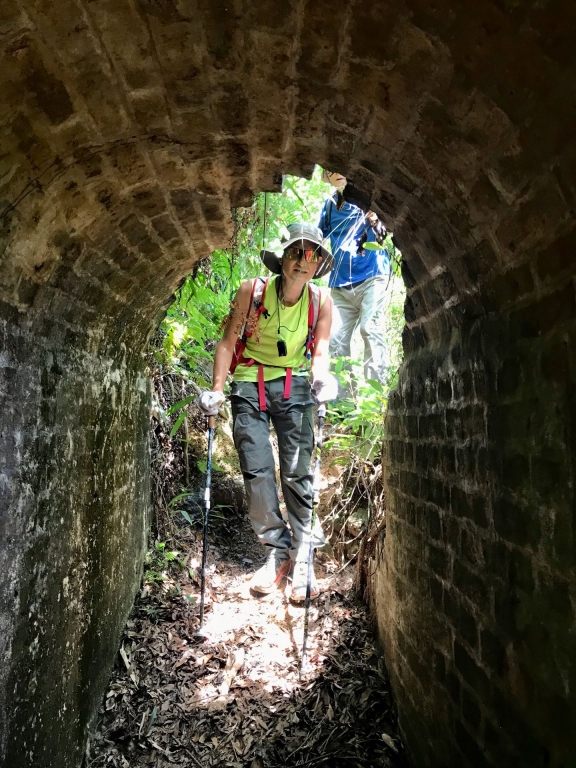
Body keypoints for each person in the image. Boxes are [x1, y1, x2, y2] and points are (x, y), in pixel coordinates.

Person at [199, 223, 337, 602]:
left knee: (297, 471)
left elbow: (320, 353)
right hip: (248, 385)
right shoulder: (252, 291)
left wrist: (322, 378)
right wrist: (216, 390)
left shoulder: (320, 301)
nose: (302, 261)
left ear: (319, 264)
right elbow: (229, 341)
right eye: (296, 252)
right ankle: (277, 553)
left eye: (312, 255)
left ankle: (303, 554)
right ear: (283, 257)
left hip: (295, 387)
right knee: (257, 470)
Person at [318, 170, 391, 391]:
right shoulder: (330, 205)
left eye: (341, 169)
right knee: (336, 339)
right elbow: (318, 237)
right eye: (331, 171)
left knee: (369, 328)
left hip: (372, 275)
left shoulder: (369, 199)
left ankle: (376, 396)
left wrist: (376, 221)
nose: (337, 173)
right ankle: (344, 405)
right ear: (326, 176)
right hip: (340, 283)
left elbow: (384, 234)